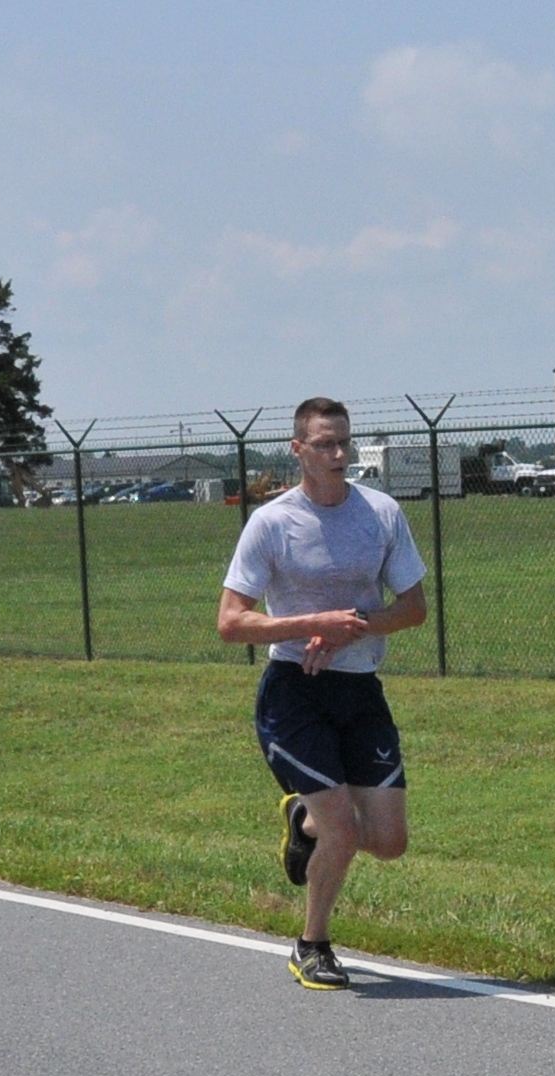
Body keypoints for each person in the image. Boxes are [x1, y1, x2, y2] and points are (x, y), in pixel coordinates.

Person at [217, 397, 428, 989]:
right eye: (325, 444)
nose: (338, 455)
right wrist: (310, 628)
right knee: (345, 829)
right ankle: (312, 944)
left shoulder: (381, 514)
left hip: (360, 689)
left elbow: (413, 609)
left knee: (388, 842)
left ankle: (302, 821)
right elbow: (232, 623)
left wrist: (354, 626)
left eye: (344, 443)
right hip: (295, 691)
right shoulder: (272, 522)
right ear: (298, 450)